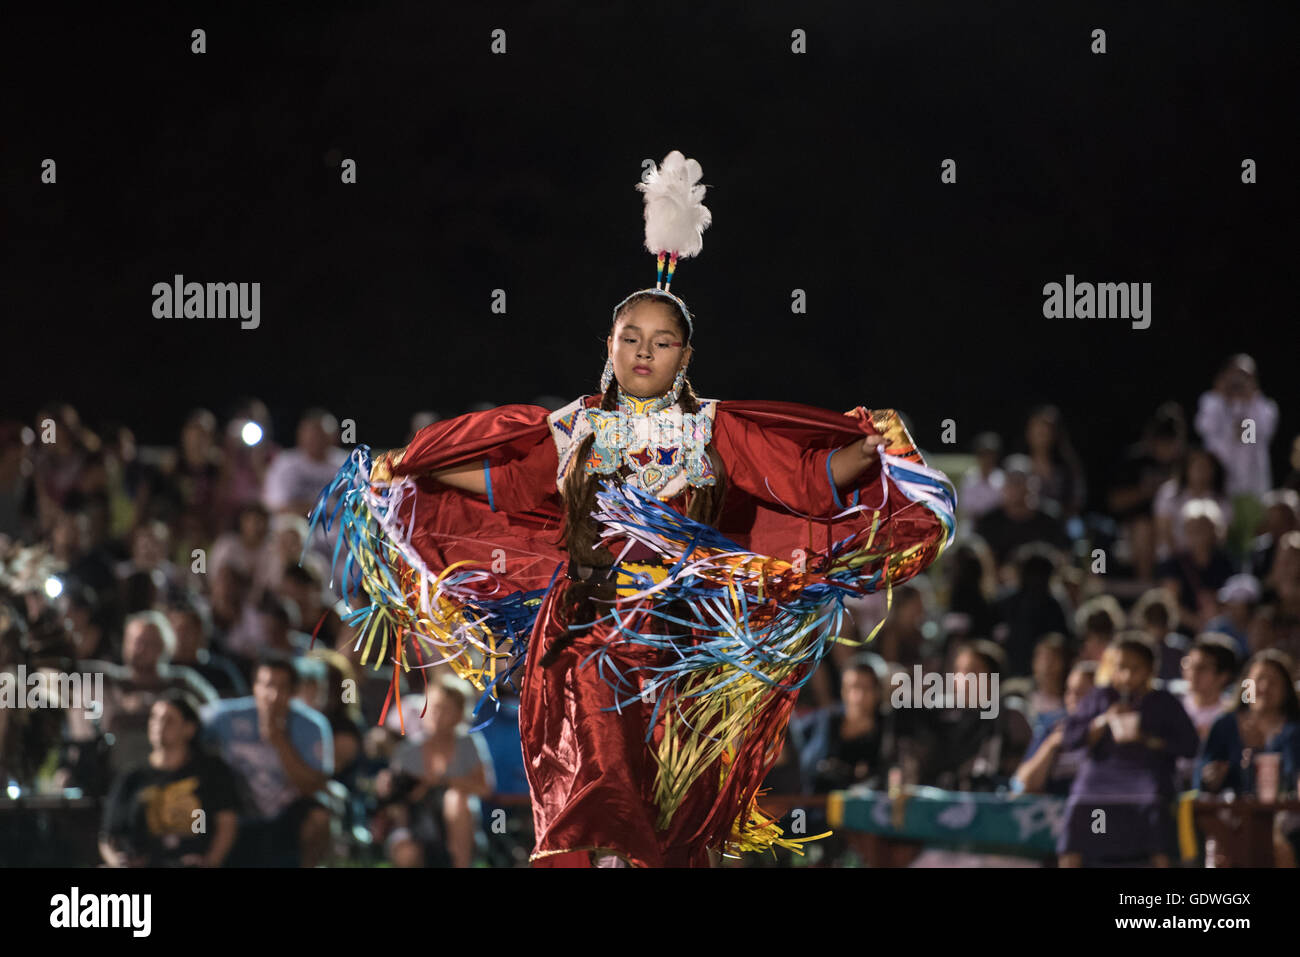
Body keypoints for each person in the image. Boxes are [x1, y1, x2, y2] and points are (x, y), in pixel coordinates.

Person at [307, 151, 956, 867]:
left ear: (685, 354)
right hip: (584, 626)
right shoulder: (577, 425)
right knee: (592, 785)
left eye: (662, 341)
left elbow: (803, 479)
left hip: (682, 636)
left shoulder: (714, 427)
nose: (645, 352)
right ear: (609, 347)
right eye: (631, 339)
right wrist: (420, 467)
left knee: (671, 805)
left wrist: (866, 451)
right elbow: (514, 484)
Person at [1056, 635, 1200, 867]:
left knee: (1155, 808)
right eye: (1121, 667)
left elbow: (1190, 746)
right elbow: (1071, 737)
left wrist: (1149, 740)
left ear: (1150, 670)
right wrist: (1103, 721)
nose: (1126, 675)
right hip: (1099, 781)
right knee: (1079, 806)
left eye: (1135, 668)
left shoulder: (1163, 701)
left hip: (1147, 777)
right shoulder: (1101, 697)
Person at [200, 655, 334, 867]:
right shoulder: (226, 716)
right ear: (255, 687)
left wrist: (278, 740)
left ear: (293, 692)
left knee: (318, 817)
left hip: (286, 814)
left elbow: (314, 785)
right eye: (267, 685)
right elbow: (186, 723)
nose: (273, 695)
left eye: (282, 687)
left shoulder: (312, 725)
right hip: (234, 809)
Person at [100, 692, 239, 867]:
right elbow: (108, 837)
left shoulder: (212, 772)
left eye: (169, 720)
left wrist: (210, 862)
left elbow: (226, 825)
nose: (159, 725)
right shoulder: (132, 777)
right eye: (155, 719)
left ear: (189, 728)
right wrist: (118, 862)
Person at [375, 679, 494, 868]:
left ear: (459, 714)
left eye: (445, 709)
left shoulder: (468, 743)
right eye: (432, 707)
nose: (436, 715)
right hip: (415, 825)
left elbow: (485, 788)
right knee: (407, 852)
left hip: (459, 825)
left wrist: (443, 782)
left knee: (456, 799)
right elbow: (396, 802)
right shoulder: (408, 750)